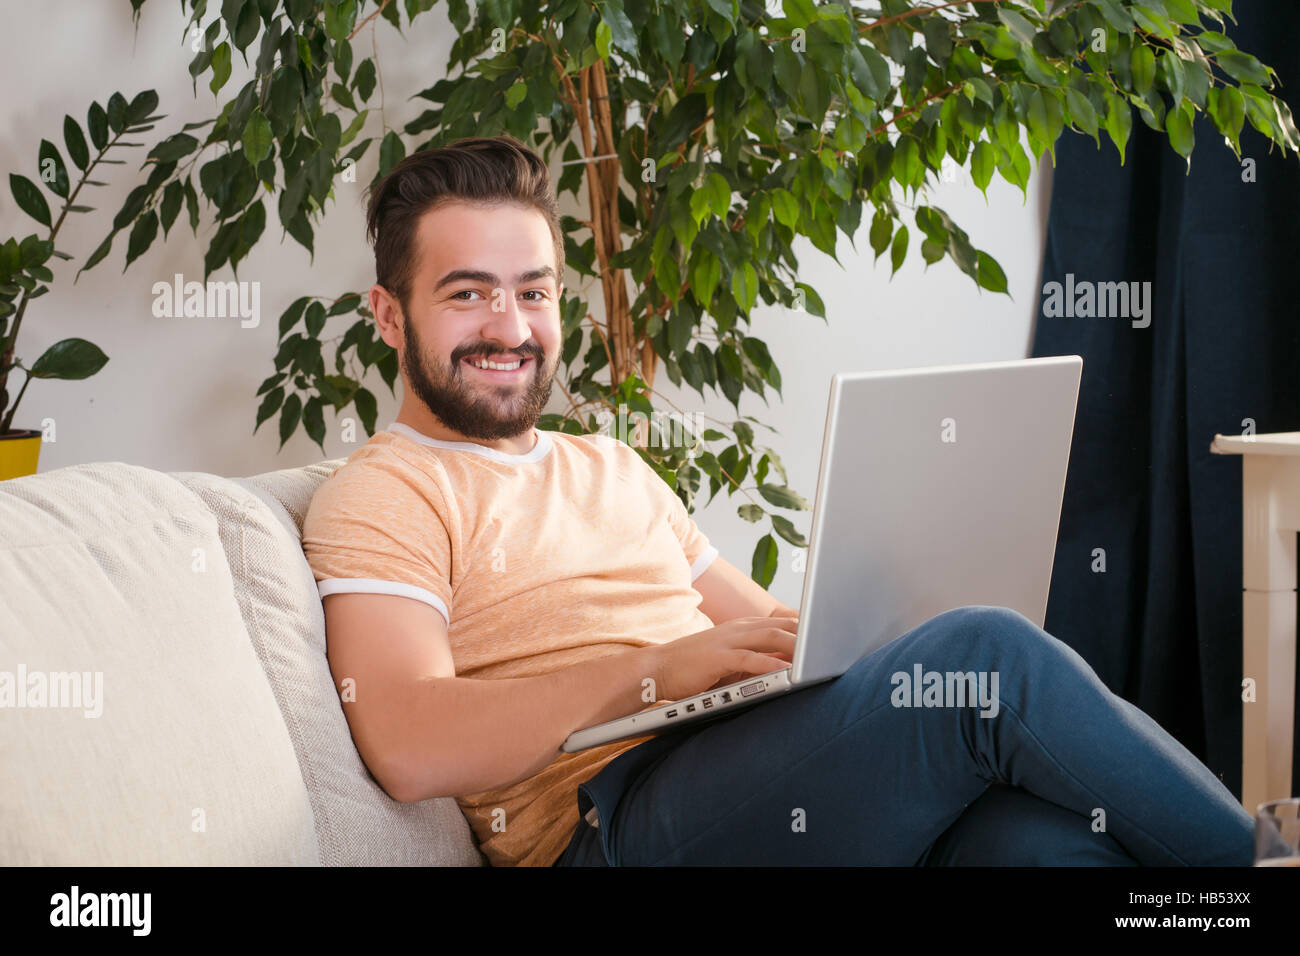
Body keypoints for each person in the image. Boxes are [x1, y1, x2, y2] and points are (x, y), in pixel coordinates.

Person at [301, 135, 1254, 867]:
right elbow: (409, 741)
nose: (509, 328)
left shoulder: (612, 468)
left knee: (1033, 842)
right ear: (389, 314)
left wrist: (874, 632)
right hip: (612, 820)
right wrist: (656, 674)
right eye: (469, 294)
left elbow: (771, 636)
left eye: (534, 292)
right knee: (989, 654)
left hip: (743, 764)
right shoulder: (384, 491)